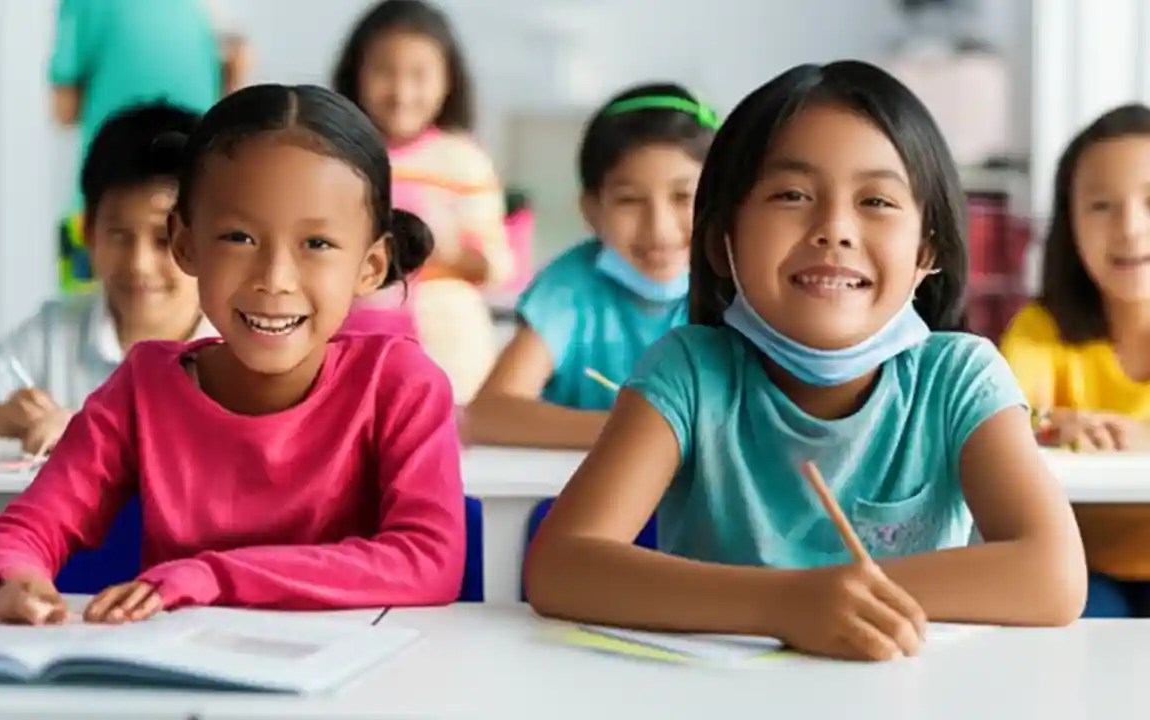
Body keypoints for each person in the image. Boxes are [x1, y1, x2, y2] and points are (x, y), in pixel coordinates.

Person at [524, 61, 1086, 661]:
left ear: (928, 249)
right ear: (721, 240)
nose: (834, 229)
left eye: (875, 200)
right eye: (792, 195)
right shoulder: (689, 371)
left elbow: (1052, 575)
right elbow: (563, 565)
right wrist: (784, 603)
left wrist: (840, 599)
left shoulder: (958, 378)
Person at [0, 84, 465, 625]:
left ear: (369, 266)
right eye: (238, 237)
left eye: (316, 244)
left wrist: (210, 575)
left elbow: (428, 561)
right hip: (185, 692)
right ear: (185, 243)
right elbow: (23, 532)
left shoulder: (399, 384)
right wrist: (14, 577)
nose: (274, 280)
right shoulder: (143, 389)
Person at [0, 103, 213, 453]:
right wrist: (5, 417)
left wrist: (86, 434)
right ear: (89, 233)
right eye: (119, 236)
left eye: (162, 241)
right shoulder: (56, 330)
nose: (139, 264)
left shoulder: (238, 341)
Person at [465, 84, 716, 448]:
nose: (659, 228)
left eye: (684, 197)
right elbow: (488, 413)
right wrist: (642, 435)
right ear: (592, 210)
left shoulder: (739, 287)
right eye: (630, 200)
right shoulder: (570, 289)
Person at [1000, 104, 1150, 617]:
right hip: (1082, 570)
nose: (1130, 228)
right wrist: (1052, 426)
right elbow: (999, 424)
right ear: (1070, 223)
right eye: (1101, 205)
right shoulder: (1041, 331)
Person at [333, 0, 512, 403]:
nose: (401, 92)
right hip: (347, 344)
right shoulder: (331, 156)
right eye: (384, 71)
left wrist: (429, 248)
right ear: (355, 72)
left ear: (449, 80)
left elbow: (494, 264)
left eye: (419, 74)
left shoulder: (463, 161)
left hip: (448, 350)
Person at [51, 0, 251, 292]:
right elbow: (232, 91)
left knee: (77, 324)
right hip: (196, 203)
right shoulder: (209, 8)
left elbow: (63, 108)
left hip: (101, 203)